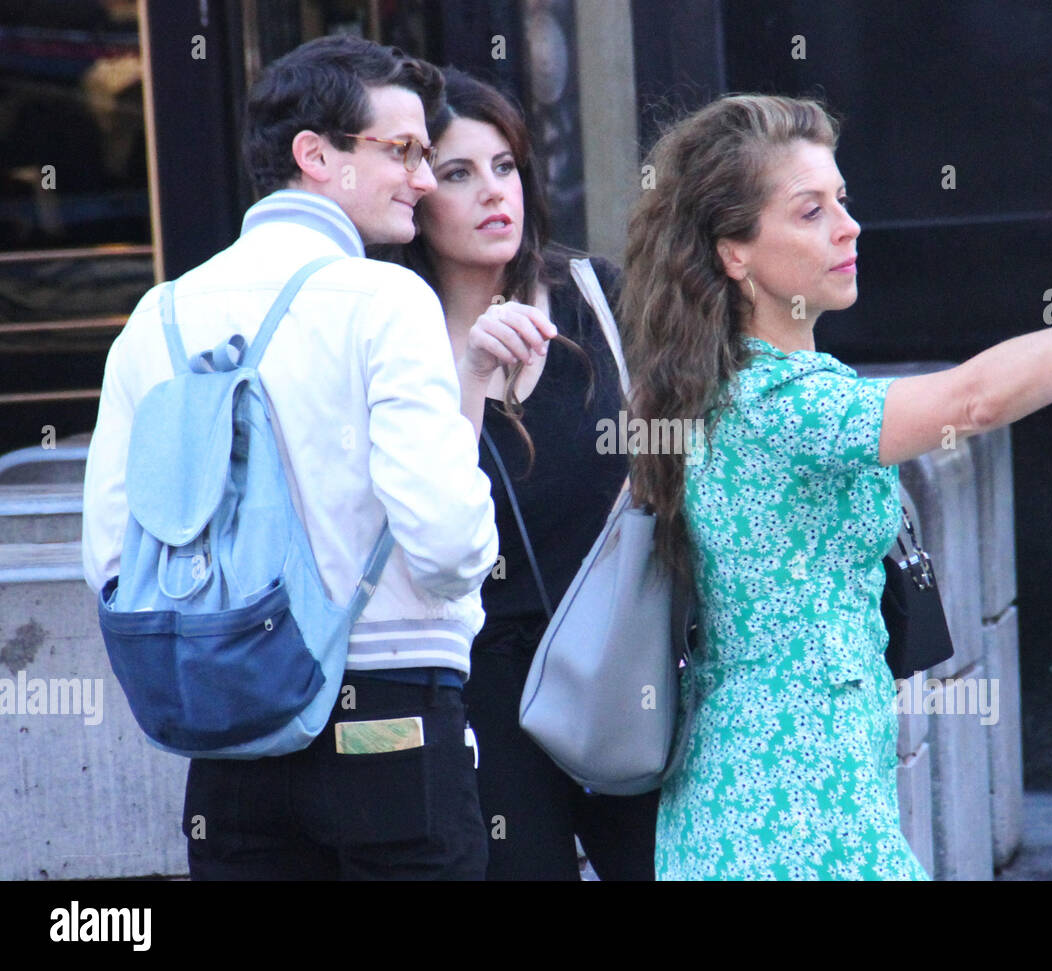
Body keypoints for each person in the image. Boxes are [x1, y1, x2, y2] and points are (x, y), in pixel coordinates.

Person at [619, 94, 1052, 880]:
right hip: (785, 814)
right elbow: (977, 399)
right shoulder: (781, 404)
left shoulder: (755, 385)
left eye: (843, 199)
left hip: (788, 797)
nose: (847, 226)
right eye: (810, 211)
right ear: (734, 251)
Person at [81, 36, 499, 880]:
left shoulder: (157, 313)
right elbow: (448, 537)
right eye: (403, 151)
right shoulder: (386, 298)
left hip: (226, 733)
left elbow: (111, 559)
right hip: (389, 718)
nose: (424, 177)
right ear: (317, 156)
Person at [379, 67, 659, 880]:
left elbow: (674, 453)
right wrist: (467, 376)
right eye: (459, 173)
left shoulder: (594, 297)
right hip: (480, 684)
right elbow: (418, 518)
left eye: (505, 167)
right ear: (417, 194)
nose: (493, 193)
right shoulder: (395, 336)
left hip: (616, 659)